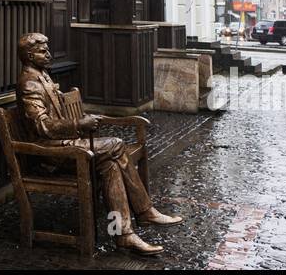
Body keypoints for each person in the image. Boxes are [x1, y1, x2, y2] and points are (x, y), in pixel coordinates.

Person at [15, 32, 183, 256]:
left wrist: (78, 123)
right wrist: (79, 124)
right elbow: (42, 126)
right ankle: (144, 211)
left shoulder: (42, 75)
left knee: (110, 165)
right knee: (115, 144)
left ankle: (125, 235)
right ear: (29, 55)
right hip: (52, 154)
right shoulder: (29, 83)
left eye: (48, 49)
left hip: (66, 145)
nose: (49, 54)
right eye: (42, 51)